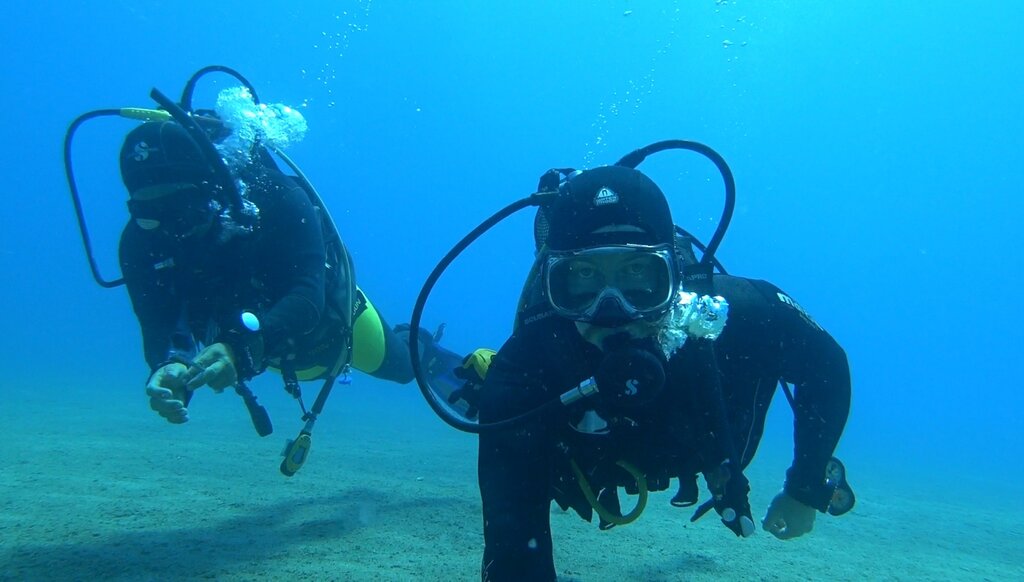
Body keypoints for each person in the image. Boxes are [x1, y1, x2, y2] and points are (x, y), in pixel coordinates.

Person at [475, 164, 852, 580]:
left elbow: (827, 365)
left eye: (639, 272)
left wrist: (806, 485)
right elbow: (512, 543)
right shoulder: (524, 370)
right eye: (582, 275)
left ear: (673, 277)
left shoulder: (739, 313)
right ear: (553, 284)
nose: (612, 309)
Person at [118, 118, 459, 453]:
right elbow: (156, 319)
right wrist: (171, 364)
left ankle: (422, 347)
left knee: (403, 369)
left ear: (211, 184)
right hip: (265, 352)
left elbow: (307, 295)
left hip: (337, 331)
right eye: (146, 212)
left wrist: (238, 349)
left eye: (179, 208)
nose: (167, 228)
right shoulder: (139, 242)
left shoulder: (277, 198)